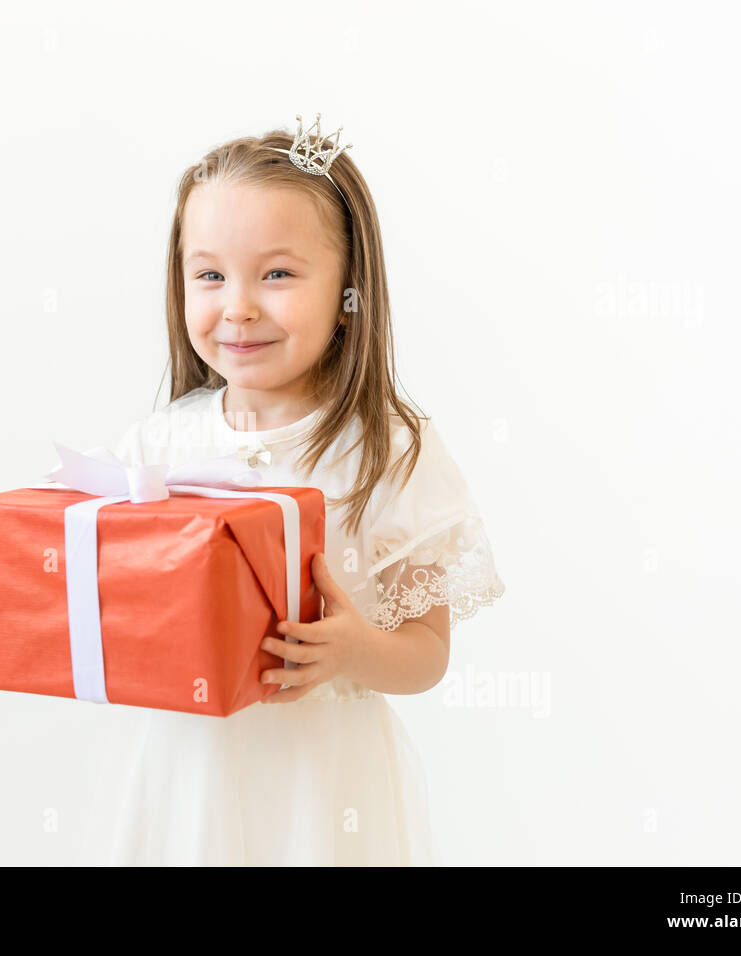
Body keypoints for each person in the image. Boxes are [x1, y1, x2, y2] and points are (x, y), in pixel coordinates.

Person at [75, 114, 505, 865]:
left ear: (347, 289)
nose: (237, 306)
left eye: (275, 274)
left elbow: (428, 651)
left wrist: (354, 650)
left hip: (319, 782)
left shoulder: (384, 450)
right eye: (209, 275)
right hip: (183, 771)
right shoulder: (158, 445)